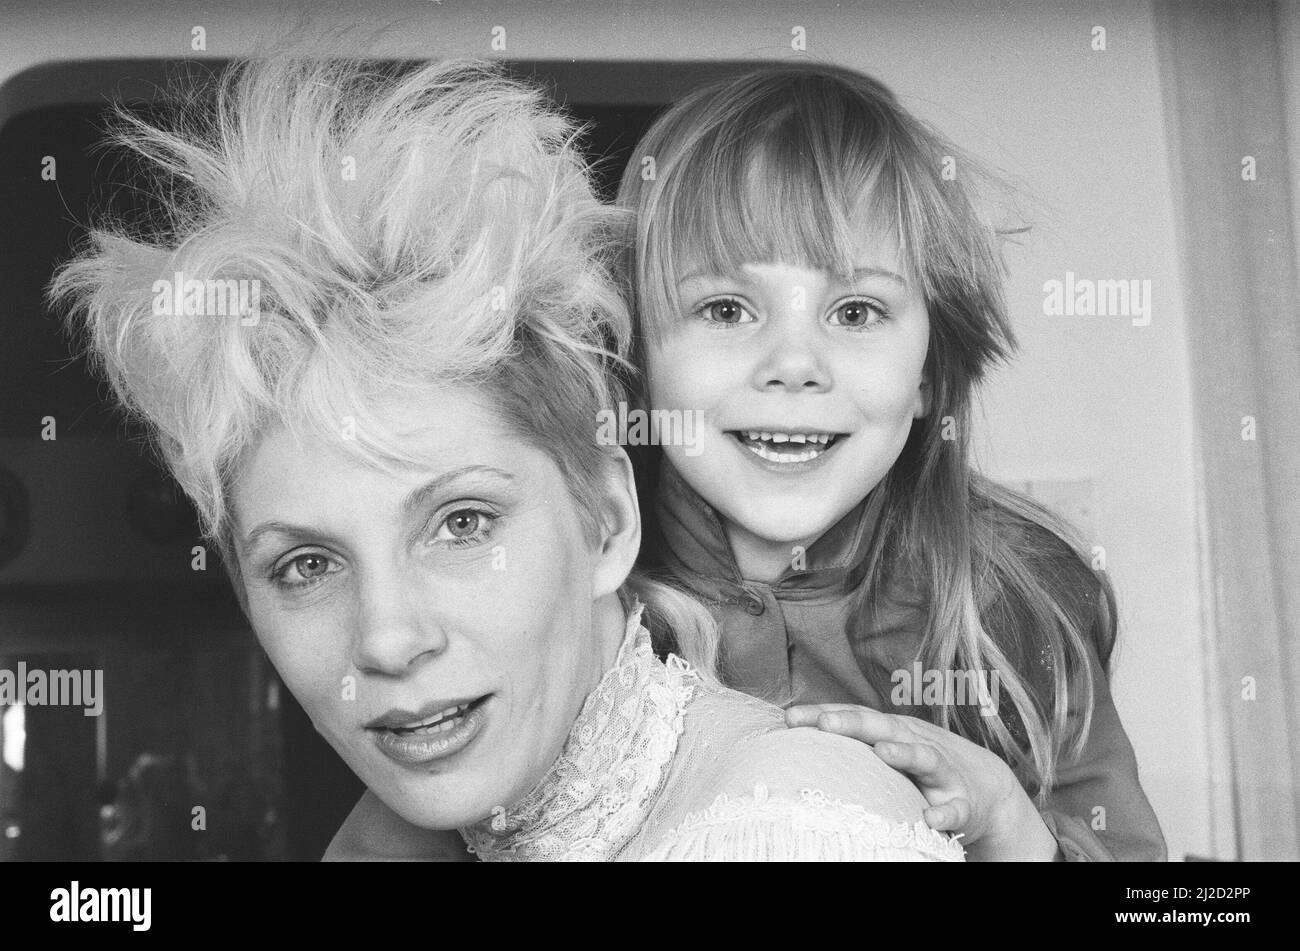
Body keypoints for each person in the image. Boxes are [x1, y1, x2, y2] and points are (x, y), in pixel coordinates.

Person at [51, 55, 969, 861]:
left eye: (462, 523)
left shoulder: (790, 828)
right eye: (307, 564)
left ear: (606, 518)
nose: (386, 637)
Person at [618, 64, 1166, 861]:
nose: (794, 363)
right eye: (726, 308)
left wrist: (1016, 829)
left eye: (856, 310)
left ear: (929, 375)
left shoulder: (1020, 596)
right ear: (638, 356)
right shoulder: (571, 597)